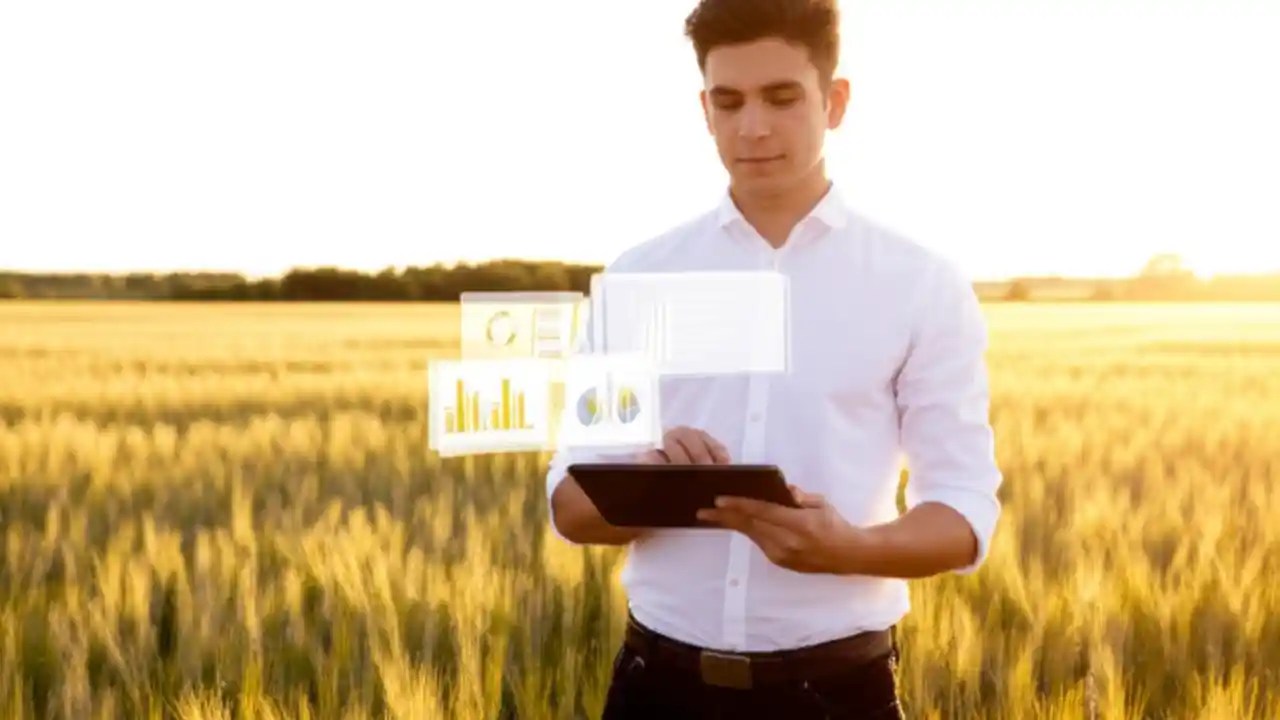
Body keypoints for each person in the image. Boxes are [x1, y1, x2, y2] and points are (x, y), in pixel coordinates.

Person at [544, 0, 1003, 717]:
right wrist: (649, 482)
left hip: (839, 691)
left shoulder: (920, 283)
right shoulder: (638, 276)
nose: (751, 127)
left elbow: (964, 510)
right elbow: (569, 507)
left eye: (781, 98)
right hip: (656, 687)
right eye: (728, 102)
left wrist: (847, 547)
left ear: (836, 100)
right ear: (705, 109)